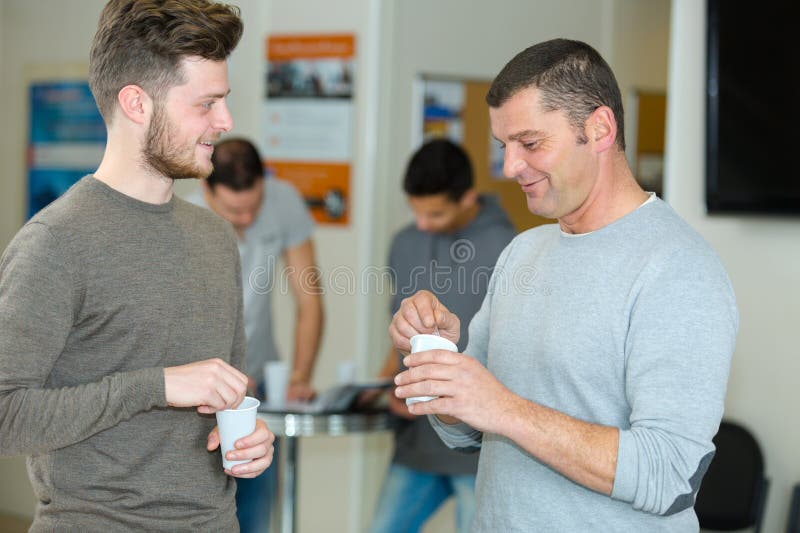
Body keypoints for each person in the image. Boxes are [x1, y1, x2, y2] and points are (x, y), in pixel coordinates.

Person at [389, 39, 738, 532]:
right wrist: (445, 366)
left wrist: (505, 409)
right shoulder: (523, 253)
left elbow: (669, 476)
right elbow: (465, 436)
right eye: (503, 147)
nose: (510, 168)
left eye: (530, 144)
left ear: (599, 129)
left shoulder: (677, 268)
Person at [0, 1, 275, 531]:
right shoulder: (55, 243)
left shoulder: (216, 238)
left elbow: (230, 393)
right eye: (207, 104)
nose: (226, 122)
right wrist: (155, 386)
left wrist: (249, 434)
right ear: (137, 104)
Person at [368, 139, 516, 533]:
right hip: (417, 441)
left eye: (434, 213)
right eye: (416, 211)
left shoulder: (508, 250)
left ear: (467, 198)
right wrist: (389, 385)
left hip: (480, 448)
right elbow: (398, 331)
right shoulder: (404, 242)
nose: (422, 224)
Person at [188, 137, 323, 532]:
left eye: (254, 207)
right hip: (198, 390)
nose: (246, 219)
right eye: (234, 211)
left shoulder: (284, 201)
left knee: (257, 509)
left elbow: (310, 301)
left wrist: (300, 375)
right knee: (201, 507)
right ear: (206, 190)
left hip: (257, 383)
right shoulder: (181, 218)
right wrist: (220, 374)